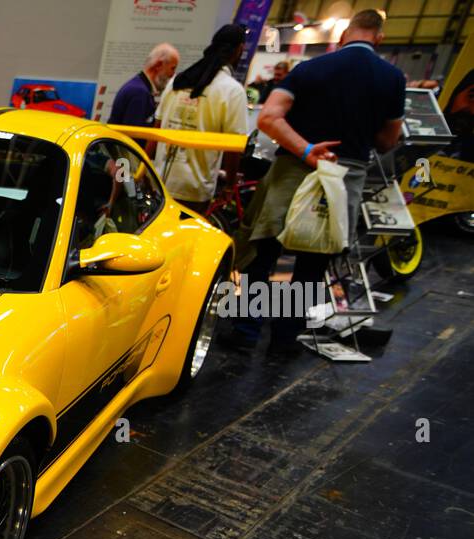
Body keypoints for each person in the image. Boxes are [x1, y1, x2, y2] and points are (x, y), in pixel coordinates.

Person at [226, 9, 405, 355]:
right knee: (312, 263)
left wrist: (307, 149)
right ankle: (284, 339)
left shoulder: (309, 69)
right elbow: (387, 140)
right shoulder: (393, 78)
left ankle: (245, 331)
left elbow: (268, 117)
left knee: (265, 252)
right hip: (343, 177)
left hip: (293, 168)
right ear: (379, 38)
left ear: (343, 36)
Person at [154, 24, 249, 214]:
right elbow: (234, 148)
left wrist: (145, 170)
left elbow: (156, 130)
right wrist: (230, 186)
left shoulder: (178, 81)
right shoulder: (232, 90)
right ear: (239, 50)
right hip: (194, 190)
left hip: (159, 181)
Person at [108, 43, 179, 137]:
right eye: (172, 68)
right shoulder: (139, 93)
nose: (173, 75)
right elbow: (135, 138)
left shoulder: (137, 87)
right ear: (158, 65)